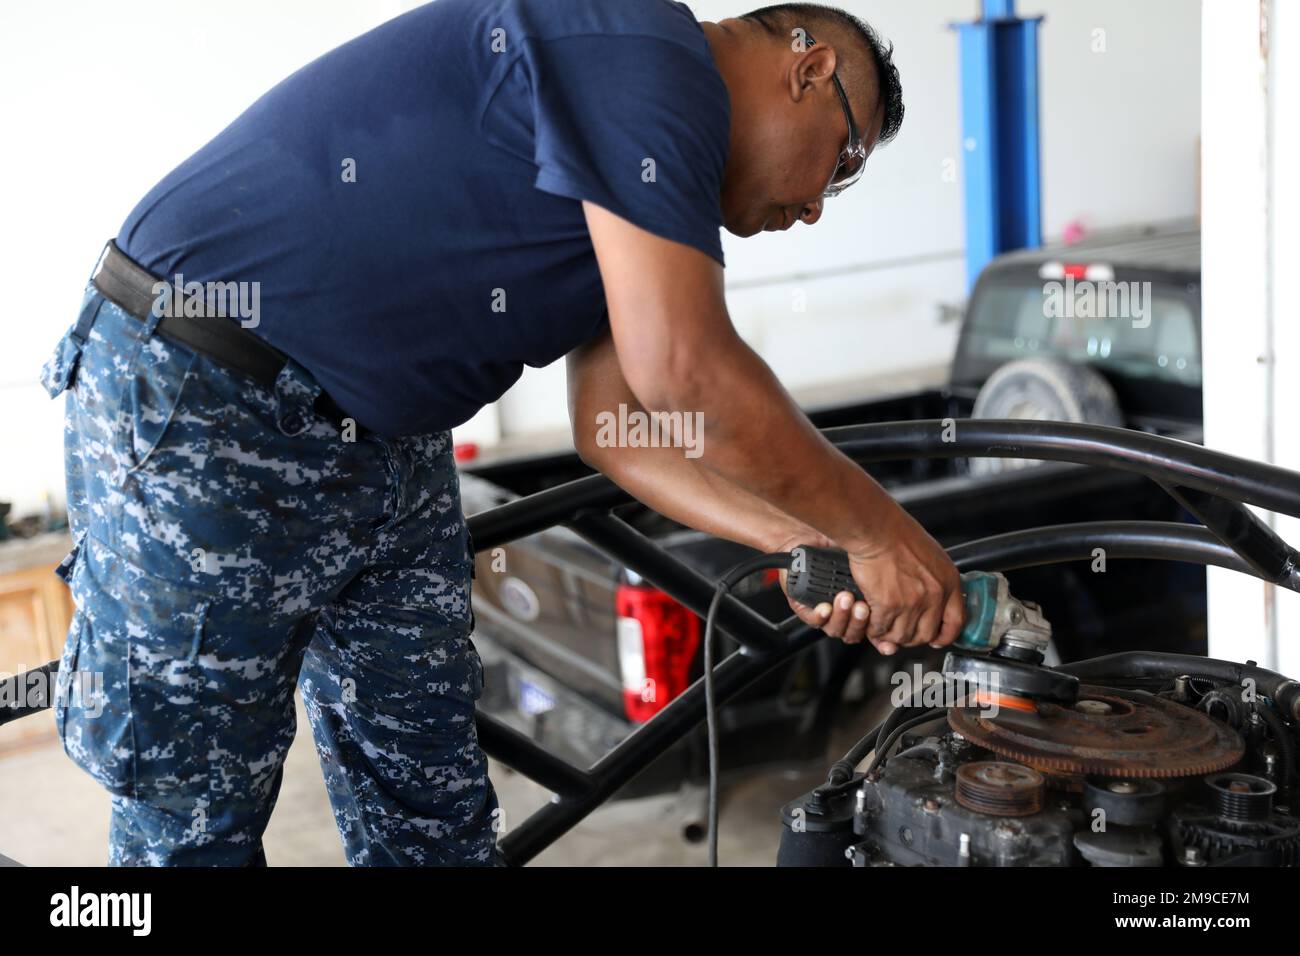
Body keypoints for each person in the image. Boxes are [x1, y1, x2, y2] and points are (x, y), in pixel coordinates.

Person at [41, 0, 963, 867]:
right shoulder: (643, 51)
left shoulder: (647, 182)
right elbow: (687, 368)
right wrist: (878, 533)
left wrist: (803, 540)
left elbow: (617, 429)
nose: (812, 209)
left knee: (431, 802)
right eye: (841, 164)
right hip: (204, 391)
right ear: (809, 69)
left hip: (386, 445)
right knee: (194, 813)